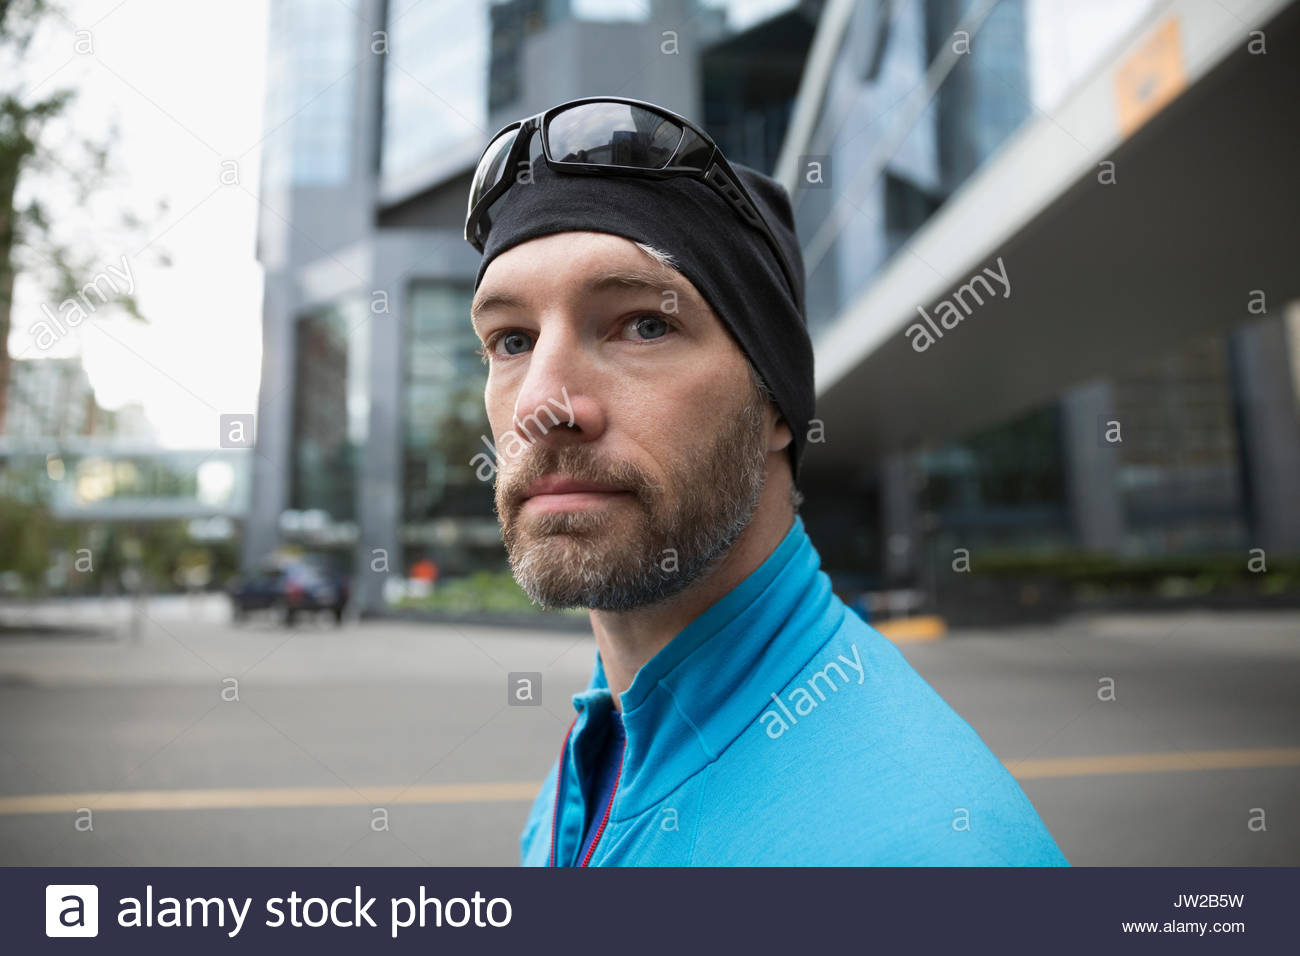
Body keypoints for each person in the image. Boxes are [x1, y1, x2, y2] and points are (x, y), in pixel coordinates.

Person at [464, 97, 1067, 866]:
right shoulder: (604, 745)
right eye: (510, 340)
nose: (543, 405)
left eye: (644, 324)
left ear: (776, 402)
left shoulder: (927, 859)